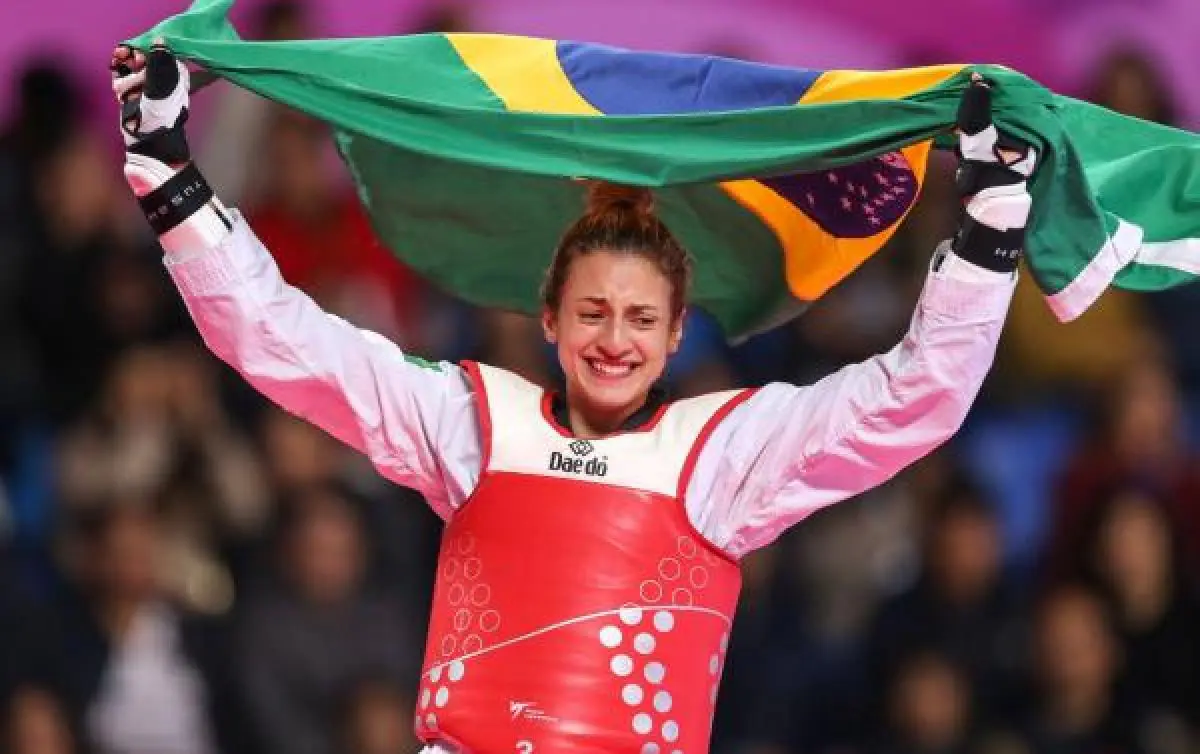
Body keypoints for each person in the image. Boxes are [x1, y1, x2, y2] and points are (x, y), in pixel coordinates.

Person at [110, 41, 1034, 754]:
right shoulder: (473, 419)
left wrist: (991, 225)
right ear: (547, 318)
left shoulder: (723, 449)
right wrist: (164, 168)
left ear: (677, 333)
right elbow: (282, 340)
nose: (614, 340)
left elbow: (916, 395)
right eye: (592, 312)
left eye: (640, 319)